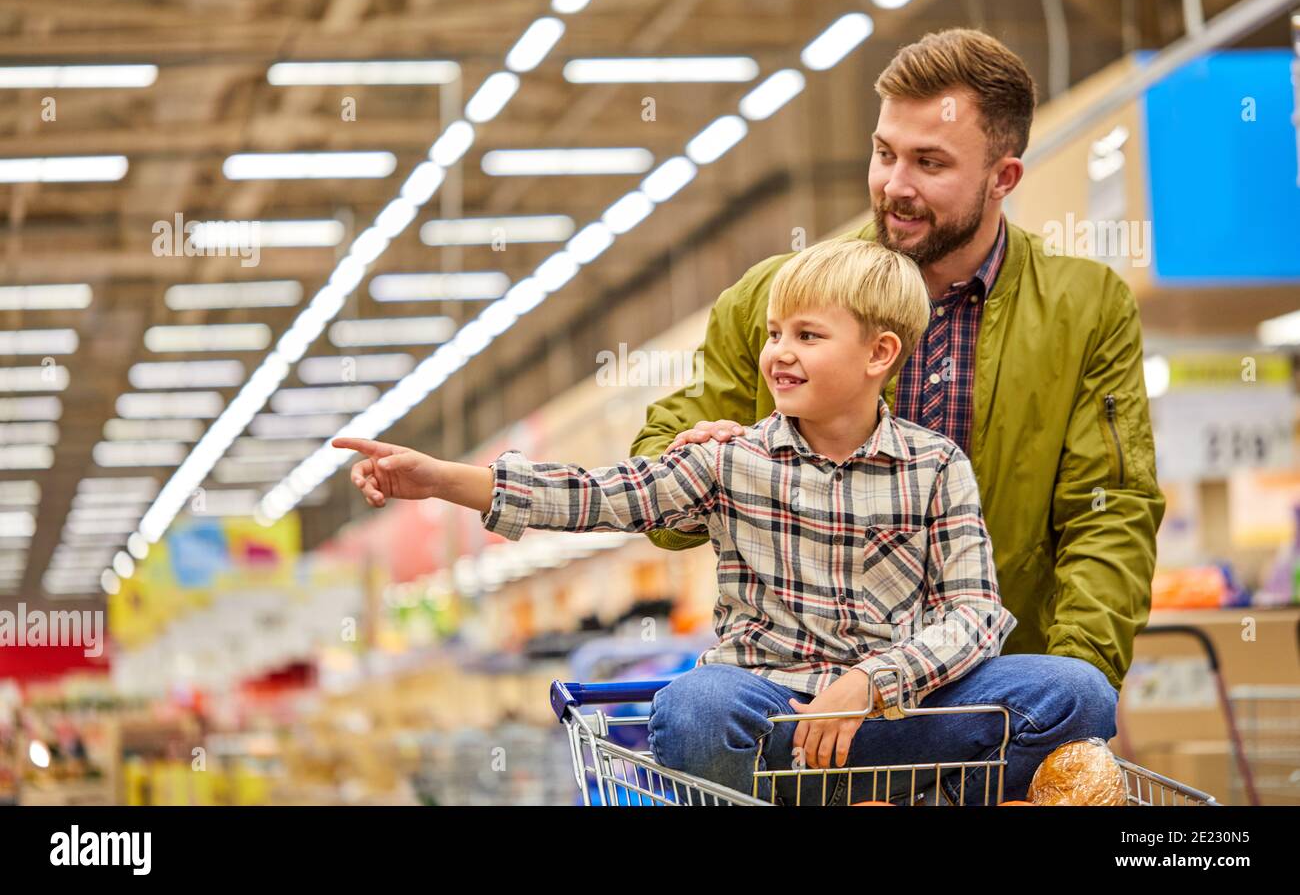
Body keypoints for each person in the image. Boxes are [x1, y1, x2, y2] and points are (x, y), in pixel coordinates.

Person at [333, 238, 1115, 806]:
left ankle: (916, 799)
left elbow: (977, 613)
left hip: (894, 718)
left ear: (880, 352)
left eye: (808, 335)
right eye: (775, 333)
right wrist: (439, 479)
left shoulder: (936, 465)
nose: (779, 353)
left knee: (1077, 692)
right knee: (694, 708)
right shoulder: (729, 459)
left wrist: (870, 683)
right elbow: (597, 494)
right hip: (771, 723)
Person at [631, 28, 1163, 723]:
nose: (895, 186)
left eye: (929, 163)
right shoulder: (778, 296)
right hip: (801, 688)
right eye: (884, 154)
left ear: (1003, 177)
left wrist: (1073, 677)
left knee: (1078, 696)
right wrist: (688, 465)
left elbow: (1110, 509)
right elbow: (664, 463)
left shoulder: (1085, 308)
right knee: (695, 714)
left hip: (979, 689)